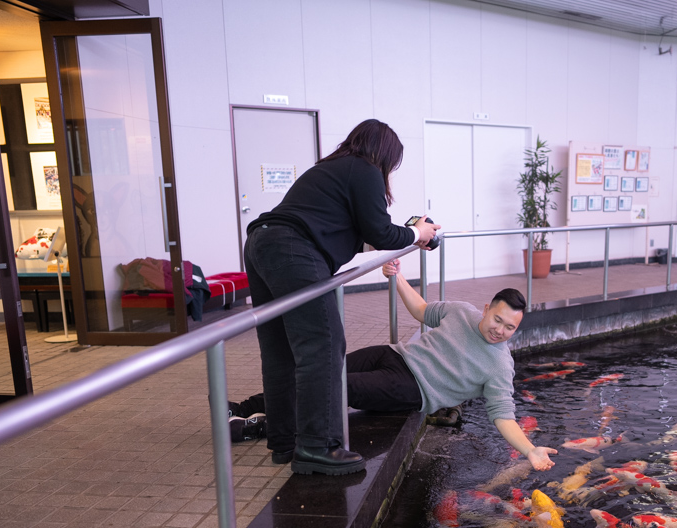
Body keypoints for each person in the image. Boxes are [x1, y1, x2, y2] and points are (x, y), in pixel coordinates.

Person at [243, 119, 440, 476]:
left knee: (280, 351)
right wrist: (418, 230)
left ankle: (285, 441)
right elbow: (380, 230)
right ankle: (318, 447)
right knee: (323, 345)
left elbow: (356, 231)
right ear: (385, 154)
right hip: (292, 250)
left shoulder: (331, 169)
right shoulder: (364, 168)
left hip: (263, 243)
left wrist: (409, 236)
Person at [230, 260, 558, 472]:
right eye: (497, 319)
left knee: (336, 385)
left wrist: (529, 450)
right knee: (322, 367)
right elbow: (421, 310)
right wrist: (397, 276)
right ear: (487, 309)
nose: (500, 330)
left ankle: (258, 426)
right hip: (393, 355)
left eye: (509, 328)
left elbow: (503, 416)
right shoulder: (462, 311)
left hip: (411, 388)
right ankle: (240, 408)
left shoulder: (501, 366)